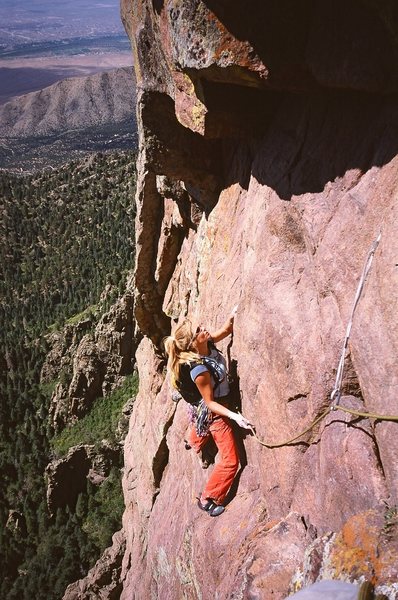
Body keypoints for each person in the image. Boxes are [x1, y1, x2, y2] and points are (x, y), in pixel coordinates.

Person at [164, 310, 253, 517]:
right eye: (199, 330)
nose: (204, 328)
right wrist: (235, 416)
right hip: (213, 412)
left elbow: (225, 331)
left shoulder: (205, 342)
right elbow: (210, 403)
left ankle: (194, 442)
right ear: (194, 343)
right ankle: (208, 499)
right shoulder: (198, 370)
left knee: (200, 426)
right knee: (231, 460)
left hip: (207, 406)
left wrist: (233, 315)